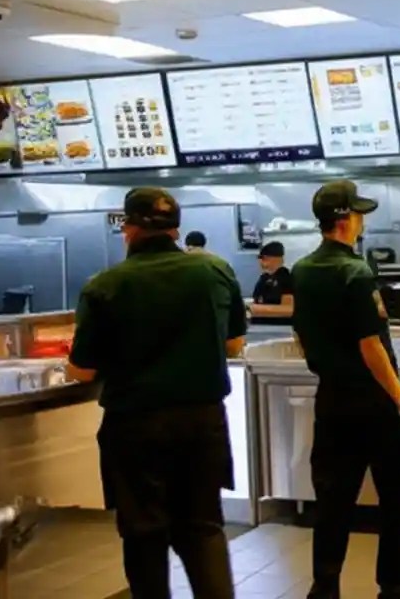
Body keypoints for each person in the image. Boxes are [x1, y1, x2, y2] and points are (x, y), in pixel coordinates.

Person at [66, 187, 246, 599]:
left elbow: (83, 370)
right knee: (203, 528)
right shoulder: (214, 271)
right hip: (203, 423)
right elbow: (234, 345)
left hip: (135, 428)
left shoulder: (105, 286)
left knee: (144, 533)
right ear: (176, 230)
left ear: (127, 229)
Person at [291, 180, 400, 599]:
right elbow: (371, 346)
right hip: (370, 403)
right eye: (358, 213)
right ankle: (396, 585)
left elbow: (303, 332)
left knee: (333, 501)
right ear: (344, 220)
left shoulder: (302, 270)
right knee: (394, 497)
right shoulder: (355, 271)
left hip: (331, 401)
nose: (361, 221)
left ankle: (325, 588)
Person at [250, 241, 293, 322]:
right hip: (260, 325)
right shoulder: (264, 278)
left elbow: (289, 309)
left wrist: (256, 309)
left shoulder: (285, 278)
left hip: (277, 326)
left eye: (264, 259)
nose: (261, 262)